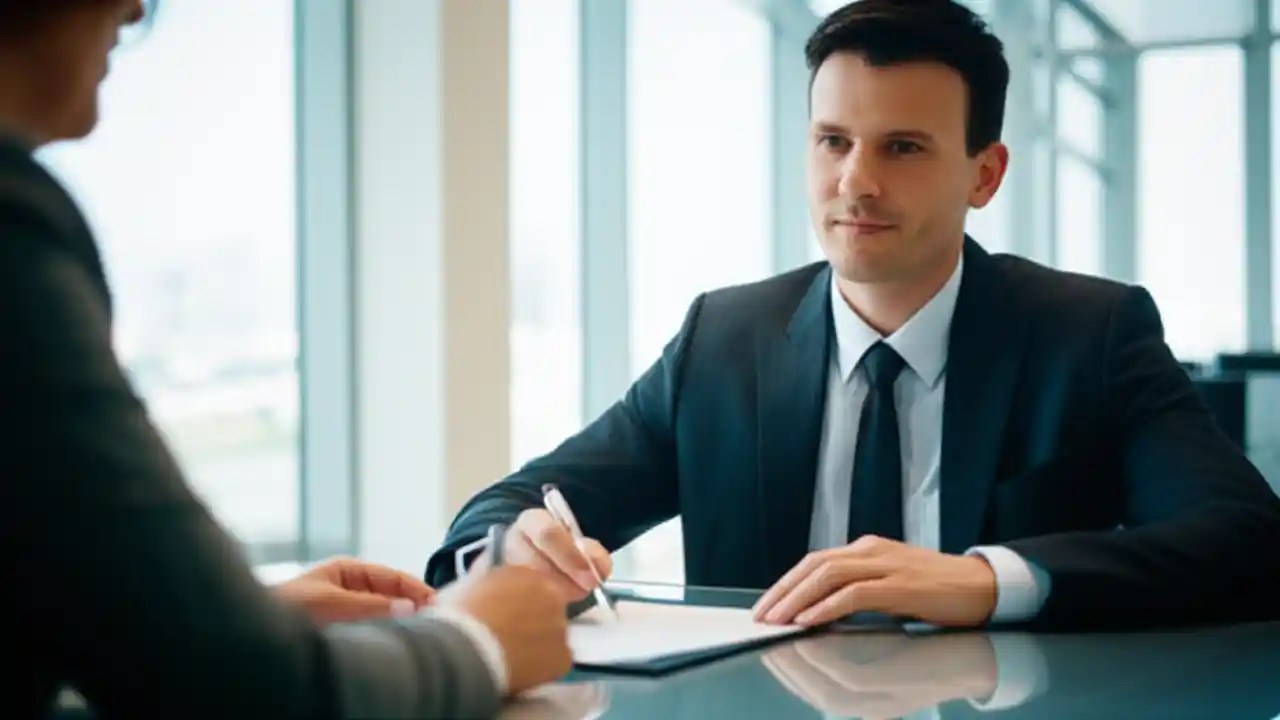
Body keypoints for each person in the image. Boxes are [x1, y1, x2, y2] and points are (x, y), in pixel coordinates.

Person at [428, 0, 1280, 631]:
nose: (855, 182)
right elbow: (496, 512)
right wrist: (518, 547)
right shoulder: (722, 344)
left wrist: (986, 581)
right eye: (833, 141)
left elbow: (1247, 541)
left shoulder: (1088, 335)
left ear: (984, 175)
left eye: (902, 148)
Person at [0, 1, 570, 717]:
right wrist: (476, 641)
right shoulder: (11, 233)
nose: (138, 7)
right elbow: (247, 693)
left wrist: (235, 622)